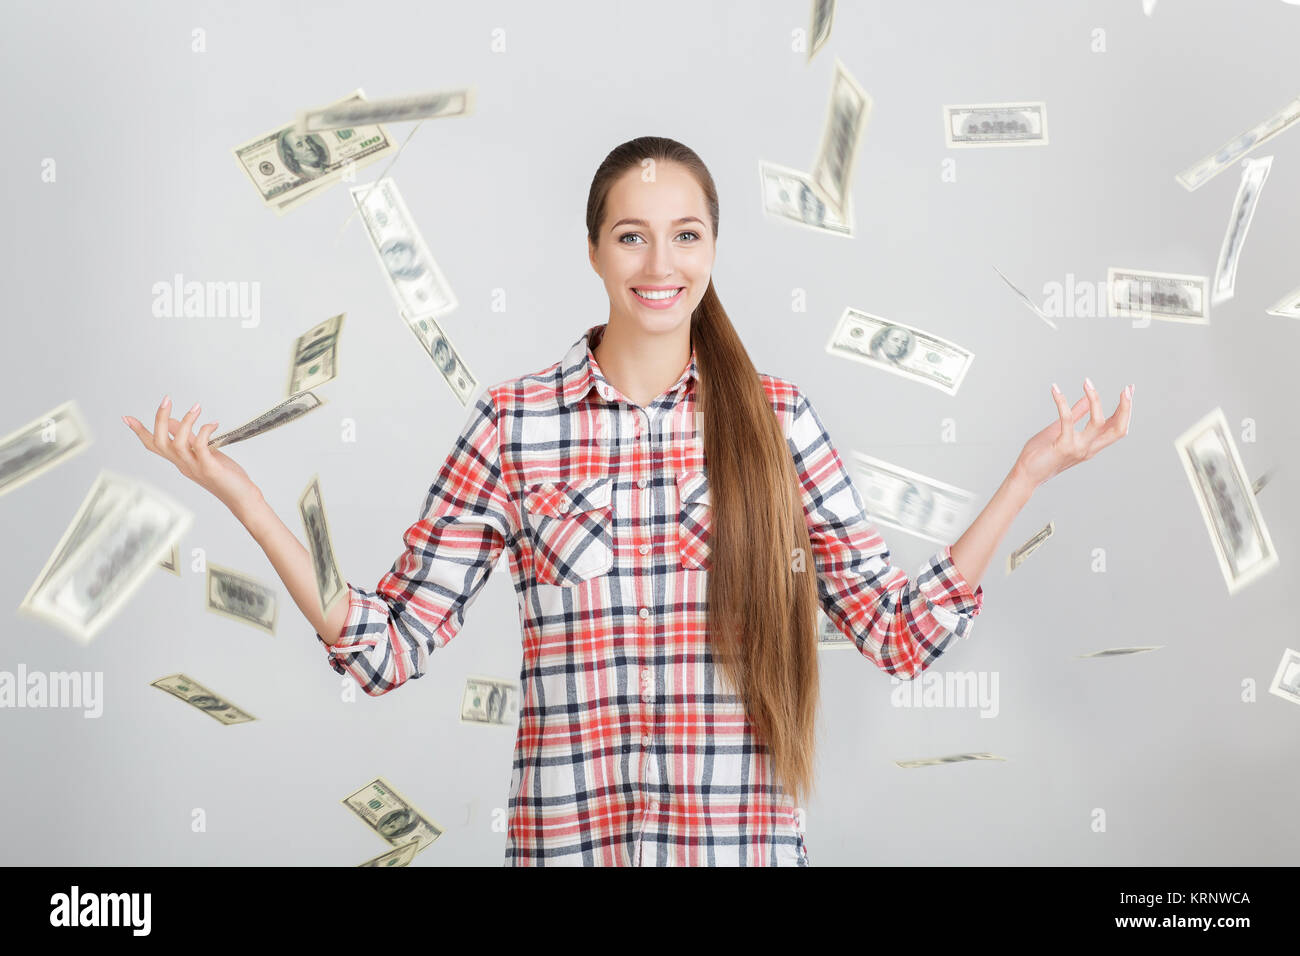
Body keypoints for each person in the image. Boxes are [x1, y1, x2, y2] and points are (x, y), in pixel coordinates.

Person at [122, 135, 1135, 866]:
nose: (661, 264)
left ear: (711, 249)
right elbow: (386, 647)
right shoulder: (513, 426)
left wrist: (1027, 475)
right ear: (596, 251)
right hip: (566, 843)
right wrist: (249, 503)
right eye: (633, 236)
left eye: (685, 235)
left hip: (738, 846)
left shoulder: (777, 422)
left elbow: (897, 633)